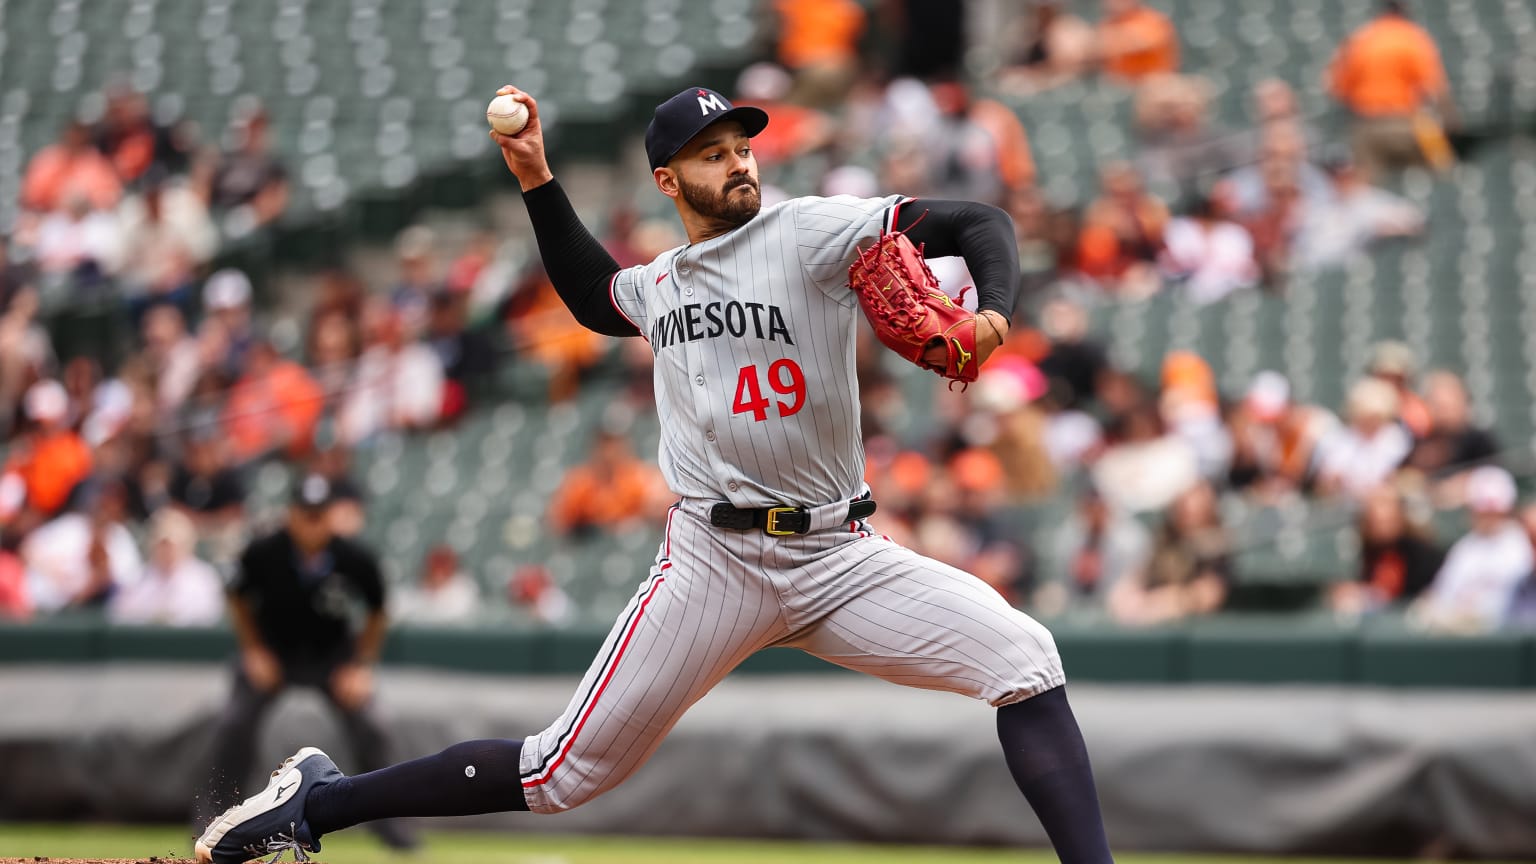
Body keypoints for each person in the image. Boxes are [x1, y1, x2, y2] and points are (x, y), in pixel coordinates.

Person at [195, 85, 1112, 864]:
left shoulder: (809, 231)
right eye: (712, 155)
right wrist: (535, 177)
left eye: (741, 148)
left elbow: (978, 221)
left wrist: (993, 312)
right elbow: (596, 298)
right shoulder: (660, 282)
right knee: (559, 774)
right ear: (669, 180)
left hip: (840, 554)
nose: (738, 164)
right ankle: (319, 800)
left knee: (1025, 660)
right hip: (717, 562)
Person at [193, 474, 414, 852]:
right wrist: (254, 650)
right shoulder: (265, 551)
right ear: (291, 515)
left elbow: (379, 610)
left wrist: (361, 665)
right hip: (275, 653)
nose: (312, 524)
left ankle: (387, 823)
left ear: (330, 516)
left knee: (374, 726)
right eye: (305, 514)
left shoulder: (352, 556)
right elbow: (237, 597)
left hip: (332, 658)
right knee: (233, 723)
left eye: (319, 515)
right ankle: (213, 817)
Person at [1326, 0, 1454, 181]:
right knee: (1439, 168)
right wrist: (1451, 127)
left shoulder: (1361, 38)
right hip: (1405, 125)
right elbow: (1435, 89)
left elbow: (1338, 89)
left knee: (1367, 186)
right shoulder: (1412, 37)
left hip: (1367, 126)